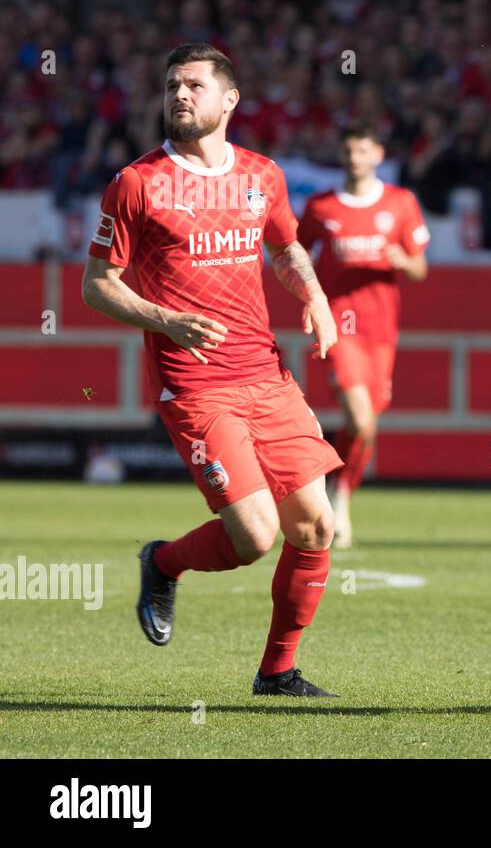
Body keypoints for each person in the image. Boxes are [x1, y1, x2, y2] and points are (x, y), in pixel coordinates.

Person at [83, 42, 342, 696]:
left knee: (316, 524)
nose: (179, 95)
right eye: (172, 85)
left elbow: (286, 250)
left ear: (229, 100)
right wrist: (166, 320)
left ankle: (278, 674)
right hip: (195, 385)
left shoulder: (262, 174)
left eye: (194, 85)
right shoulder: (137, 183)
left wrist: (313, 297)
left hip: (267, 376)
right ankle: (163, 562)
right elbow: (96, 285)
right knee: (255, 536)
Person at [298, 127, 430, 548]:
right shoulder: (322, 207)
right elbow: (294, 255)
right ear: (341, 155)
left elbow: (420, 269)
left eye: (363, 149)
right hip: (340, 325)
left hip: (381, 330)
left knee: (368, 428)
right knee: (360, 419)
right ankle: (336, 501)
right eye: (348, 149)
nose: (355, 157)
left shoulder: (400, 202)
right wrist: (310, 298)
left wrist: (401, 260)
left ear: (378, 154)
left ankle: (341, 492)